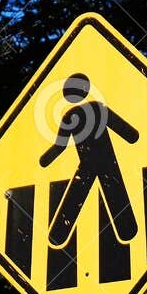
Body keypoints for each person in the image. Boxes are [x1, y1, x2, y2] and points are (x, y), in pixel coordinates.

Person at [38, 73, 139, 248]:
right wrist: (42, 162)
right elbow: (126, 131)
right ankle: (128, 232)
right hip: (104, 161)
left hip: (89, 163)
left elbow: (59, 147)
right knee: (115, 193)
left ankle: (58, 236)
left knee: (77, 195)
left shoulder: (71, 116)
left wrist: (44, 161)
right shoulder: (97, 108)